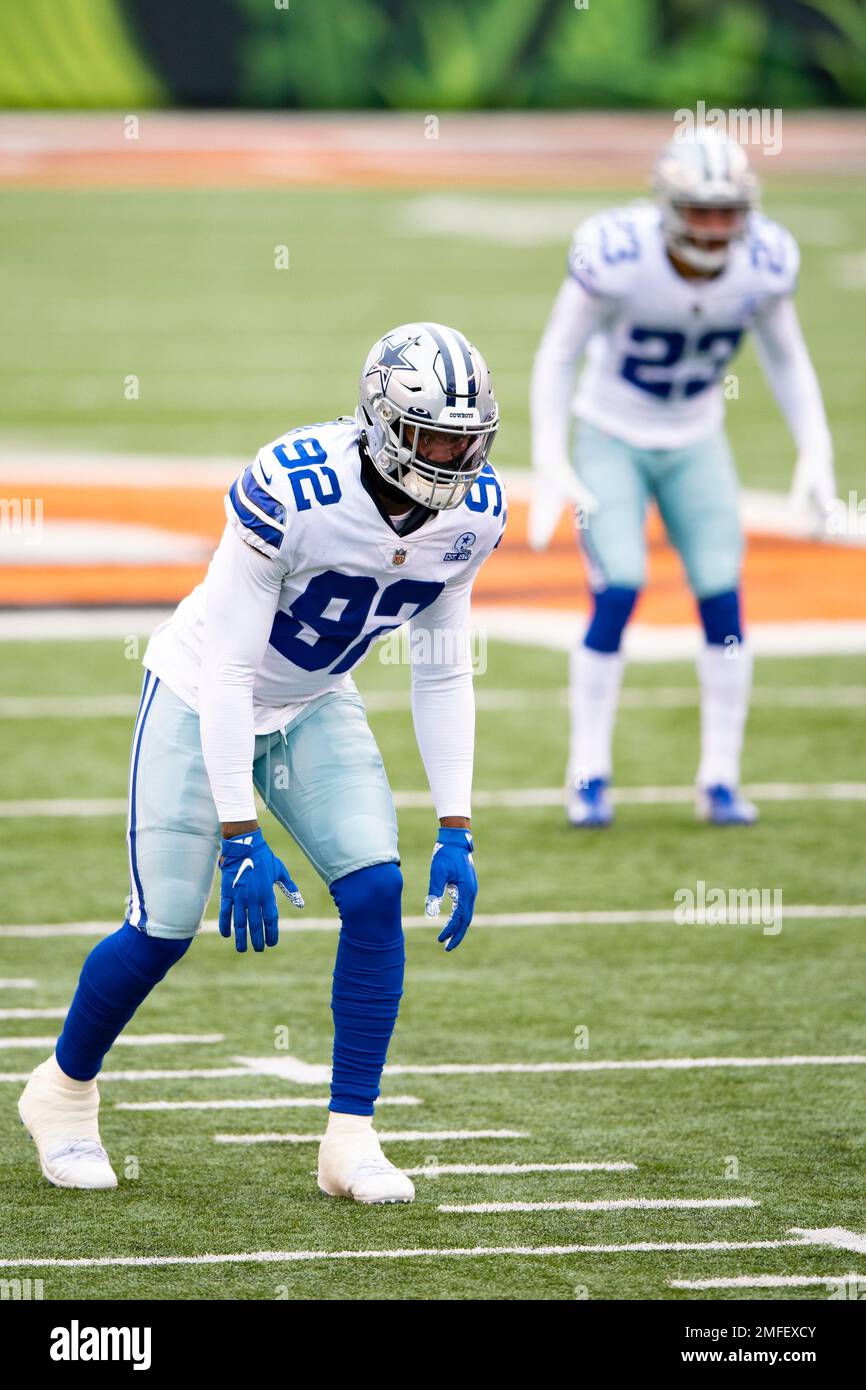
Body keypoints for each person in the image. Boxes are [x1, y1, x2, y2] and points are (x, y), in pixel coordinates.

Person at [19, 322, 505, 1205]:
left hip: (317, 696)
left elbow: (441, 667)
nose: (455, 459)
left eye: (469, 441)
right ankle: (62, 1092)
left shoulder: (472, 515)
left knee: (371, 890)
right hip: (204, 690)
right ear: (388, 424)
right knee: (164, 927)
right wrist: (239, 831)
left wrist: (457, 823)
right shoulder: (294, 487)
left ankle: (350, 1139)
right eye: (437, 437)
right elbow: (231, 670)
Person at [530, 128, 835, 827]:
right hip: (611, 433)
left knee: (722, 595)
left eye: (729, 210)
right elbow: (559, 352)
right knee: (621, 587)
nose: (717, 225)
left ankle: (720, 778)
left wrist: (815, 448)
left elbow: (788, 358)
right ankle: (588, 774)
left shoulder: (762, 262)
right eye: (702, 209)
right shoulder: (620, 256)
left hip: (696, 437)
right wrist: (552, 454)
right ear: (669, 205)